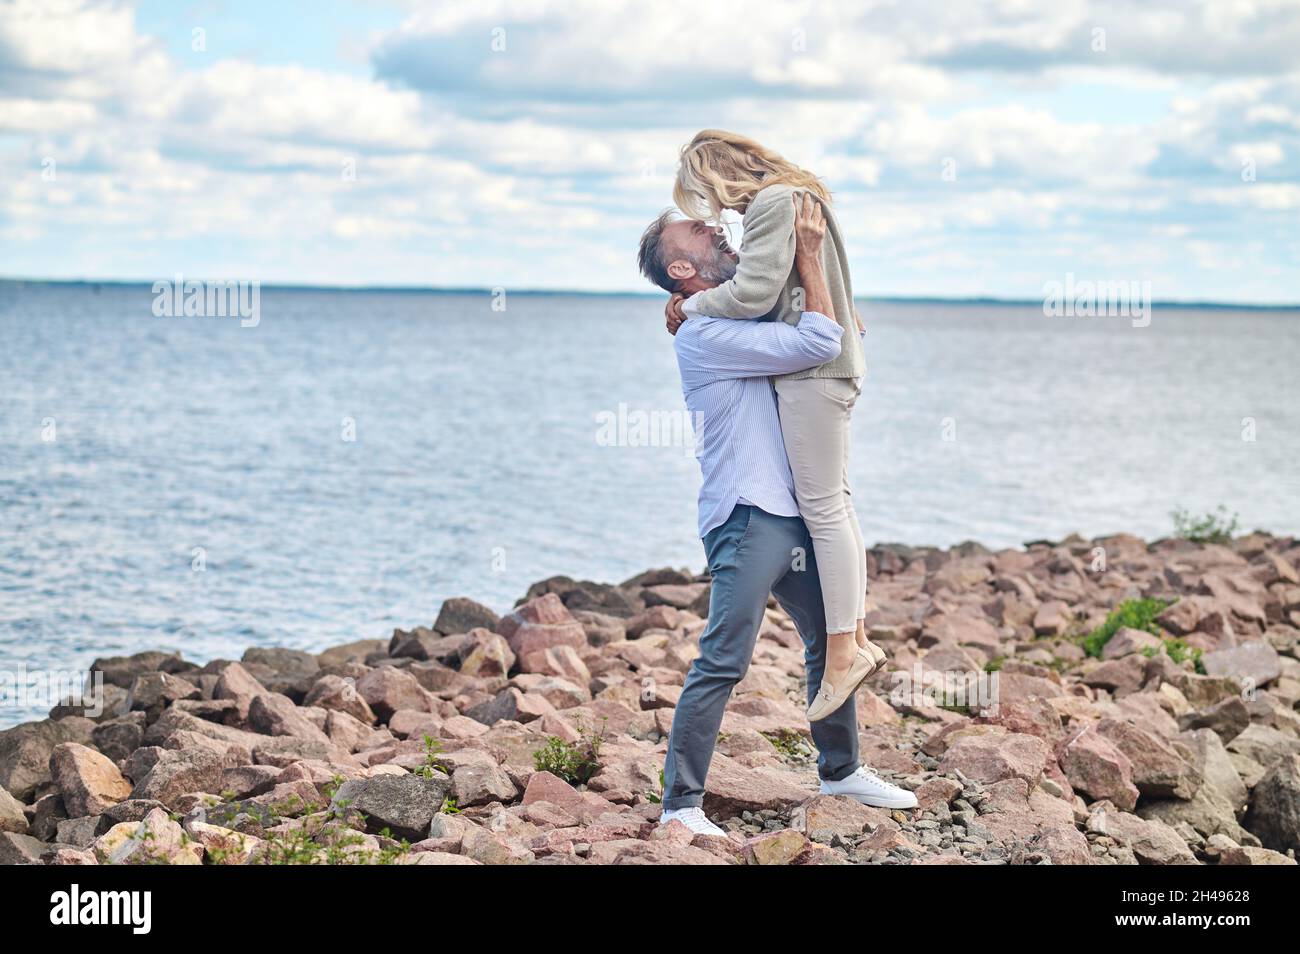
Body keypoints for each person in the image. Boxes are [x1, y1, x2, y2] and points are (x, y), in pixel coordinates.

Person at [635, 194, 917, 835]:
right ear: (682, 270)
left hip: (790, 513)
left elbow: (829, 325)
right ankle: (680, 807)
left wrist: (818, 284)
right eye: (700, 230)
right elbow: (819, 340)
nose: (718, 228)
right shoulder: (706, 334)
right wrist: (811, 258)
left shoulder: (723, 314)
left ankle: (841, 771)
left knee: (831, 642)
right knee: (724, 660)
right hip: (746, 516)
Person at [665, 129, 882, 722]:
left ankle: (844, 651)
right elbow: (815, 283)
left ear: (717, 175)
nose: (717, 214)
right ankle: (854, 640)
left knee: (825, 508)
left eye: (706, 197)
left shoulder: (770, 203)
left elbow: (754, 294)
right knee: (836, 503)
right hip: (835, 369)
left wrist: (689, 305)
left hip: (816, 373)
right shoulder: (800, 195)